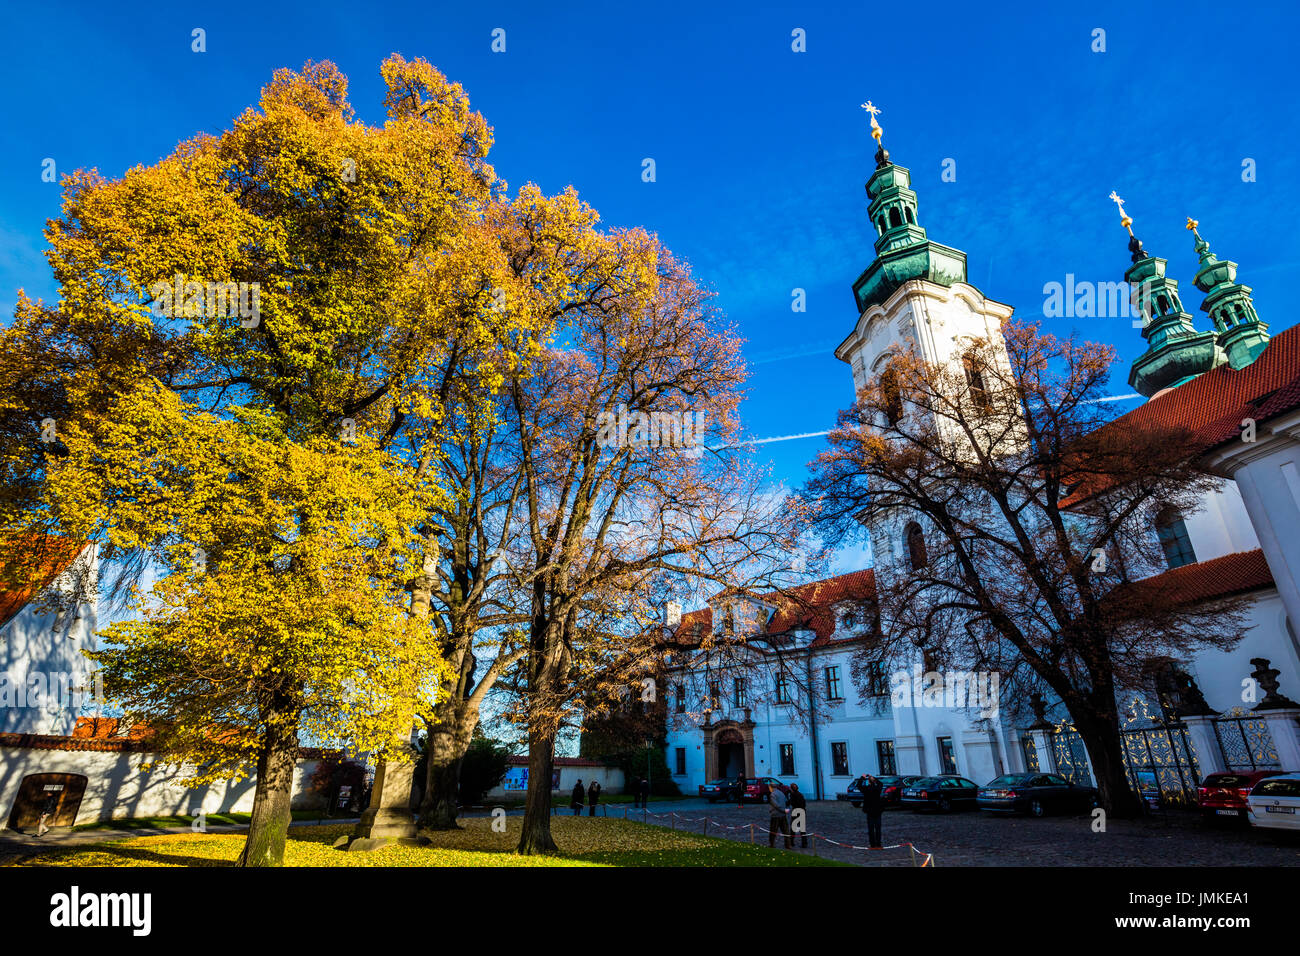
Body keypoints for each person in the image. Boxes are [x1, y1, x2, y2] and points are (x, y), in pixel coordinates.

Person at [860, 773, 884, 849]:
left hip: (869, 811)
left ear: (869, 782)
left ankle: (872, 844)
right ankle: (879, 844)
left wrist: (862, 778)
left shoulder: (866, 789)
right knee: (878, 828)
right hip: (877, 810)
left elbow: (859, 786)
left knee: (870, 829)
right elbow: (881, 783)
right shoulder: (878, 789)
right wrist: (873, 778)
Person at [767, 783, 792, 849]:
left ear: (771, 787)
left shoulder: (772, 794)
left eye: (769, 788)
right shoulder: (781, 793)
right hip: (783, 815)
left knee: (773, 830)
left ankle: (772, 844)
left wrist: (783, 810)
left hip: (776, 815)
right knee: (785, 830)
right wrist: (786, 809)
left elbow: (775, 805)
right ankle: (788, 845)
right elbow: (787, 802)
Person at [788, 782, 808, 848]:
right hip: (802, 811)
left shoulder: (792, 795)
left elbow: (792, 803)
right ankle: (804, 843)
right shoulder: (800, 794)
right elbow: (804, 803)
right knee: (802, 829)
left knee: (793, 828)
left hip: (796, 811)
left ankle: (791, 842)